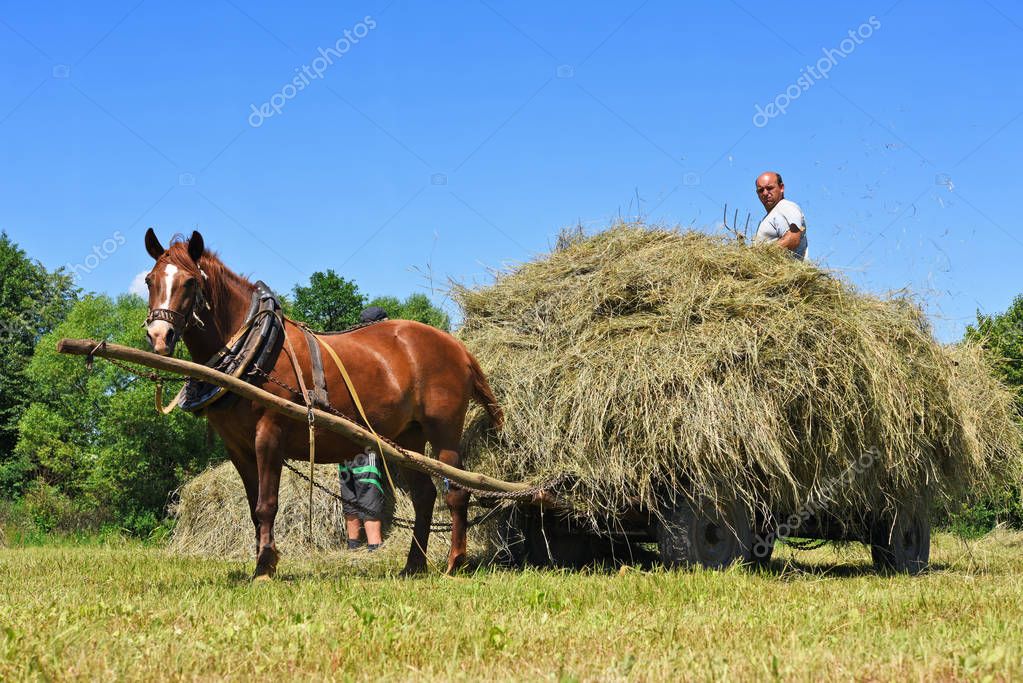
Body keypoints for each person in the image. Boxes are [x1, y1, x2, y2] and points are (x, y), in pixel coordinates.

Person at [339, 447, 386, 551]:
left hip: (364, 448)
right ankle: (353, 546)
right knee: (349, 499)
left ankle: (374, 547)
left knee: (369, 494)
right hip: (343, 451)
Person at [753, 171, 808, 260]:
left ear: (781, 187)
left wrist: (760, 256)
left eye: (769, 188)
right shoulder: (772, 214)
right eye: (761, 190)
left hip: (787, 272)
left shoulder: (785, 207)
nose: (765, 193)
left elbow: (793, 239)